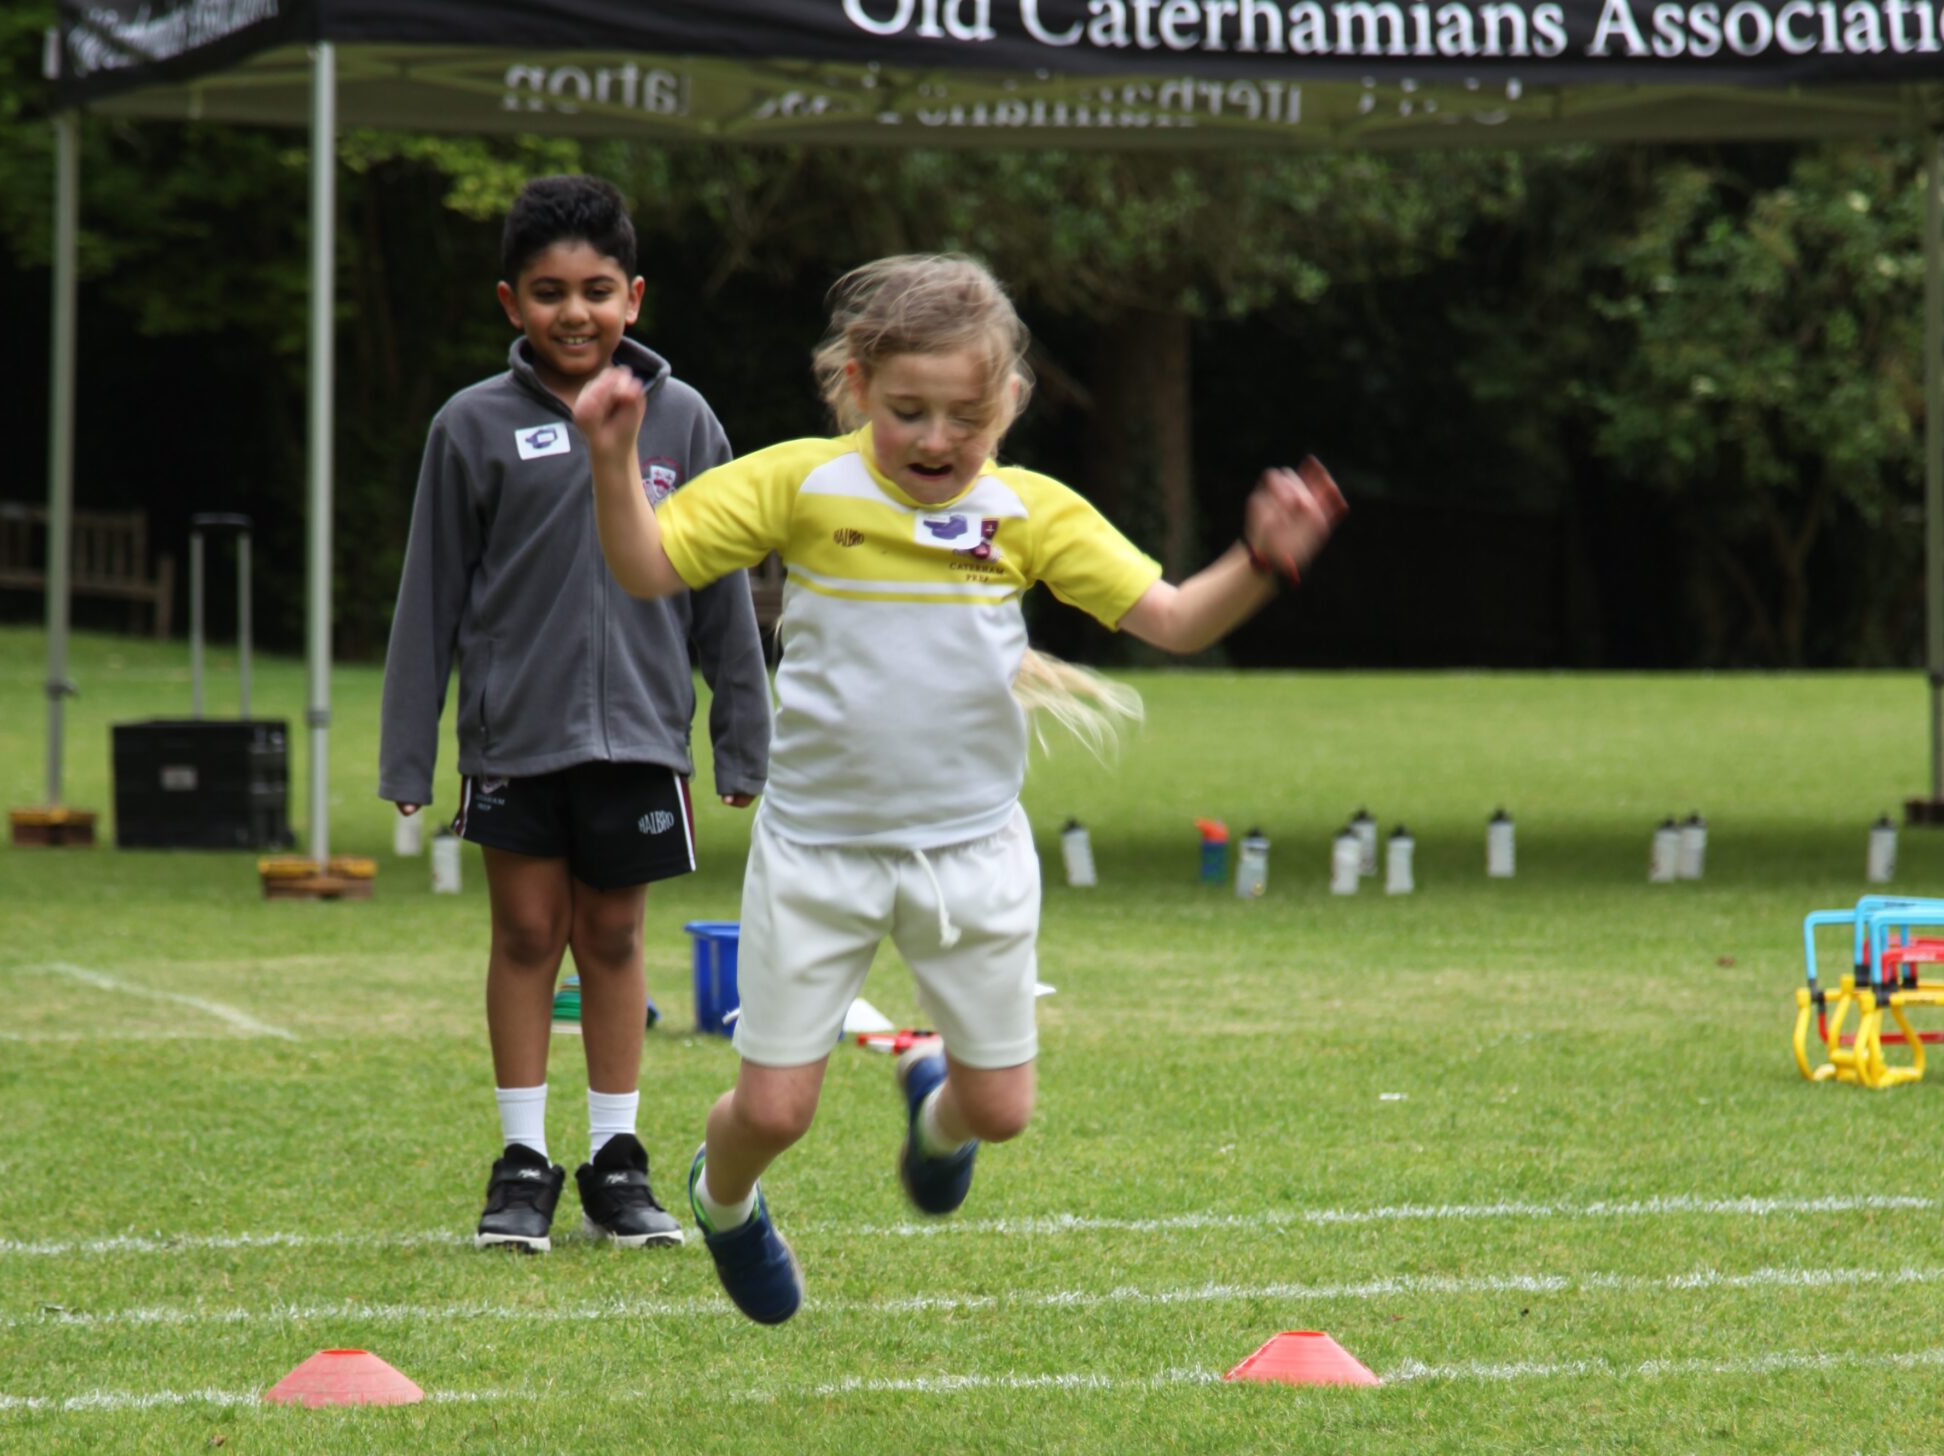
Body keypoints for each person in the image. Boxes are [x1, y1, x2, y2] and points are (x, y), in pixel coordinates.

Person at [573, 253, 1342, 1321]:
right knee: (775, 1111)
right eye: (906, 410)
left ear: (1009, 402)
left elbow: (1172, 620)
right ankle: (724, 1199)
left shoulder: (1029, 513)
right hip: (816, 855)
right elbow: (646, 566)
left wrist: (1261, 562)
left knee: (1001, 1108)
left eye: (964, 414)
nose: (935, 438)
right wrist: (613, 461)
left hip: (970, 854)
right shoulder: (798, 482)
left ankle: (932, 1109)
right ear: (852, 386)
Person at [379, 175, 771, 1254]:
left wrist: (743, 735)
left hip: (642, 735)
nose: (574, 313)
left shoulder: (683, 421)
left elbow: (722, 592)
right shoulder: (471, 426)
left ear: (632, 297)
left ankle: (615, 1160)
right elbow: (430, 600)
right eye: (548, 292)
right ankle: (521, 1162)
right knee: (524, 935)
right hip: (515, 739)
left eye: (596, 290)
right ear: (511, 302)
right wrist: (409, 750)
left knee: (612, 933)